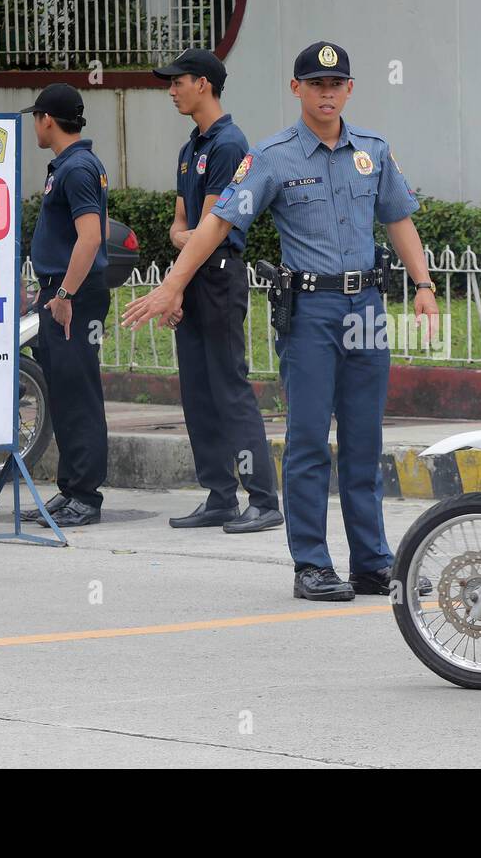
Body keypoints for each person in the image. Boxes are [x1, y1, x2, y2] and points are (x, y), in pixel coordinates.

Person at [122, 41, 439, 601]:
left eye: (336, 83)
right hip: (311, 311)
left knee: (365, 441)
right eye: (316, 84)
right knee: (310, 440)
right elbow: (219, 223)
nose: (327, 93)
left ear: (350, 89)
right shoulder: (272, 156)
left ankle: (371, 561)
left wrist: (424, 286)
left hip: (366, 307)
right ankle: (311, 565)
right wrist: (172, 283)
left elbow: (399, 219)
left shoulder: (373, 150)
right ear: (296, 89)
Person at [151, 49, 282, 533]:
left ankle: (264, 499)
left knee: (229, 388)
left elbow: (212, 226)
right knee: (197, 391)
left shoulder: (229, 144)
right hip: (193, 273)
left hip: (221, 275)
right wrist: (179, 279)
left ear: (203, 83)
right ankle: (219, 495)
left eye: (178, 81)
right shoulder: (191, 148)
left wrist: (192, 240)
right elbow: (180, 226)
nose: (171, 90)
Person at [19, 83, 111, 528]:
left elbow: (90, 236)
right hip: (59, 290)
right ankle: (70, 489)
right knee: (64, 394)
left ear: (47, 120)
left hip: (74, 296)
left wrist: (66, 295)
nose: (34, 126)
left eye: (35, 118)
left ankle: (86, 497)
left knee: (80, 396)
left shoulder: (77, 168)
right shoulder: (69, 166)